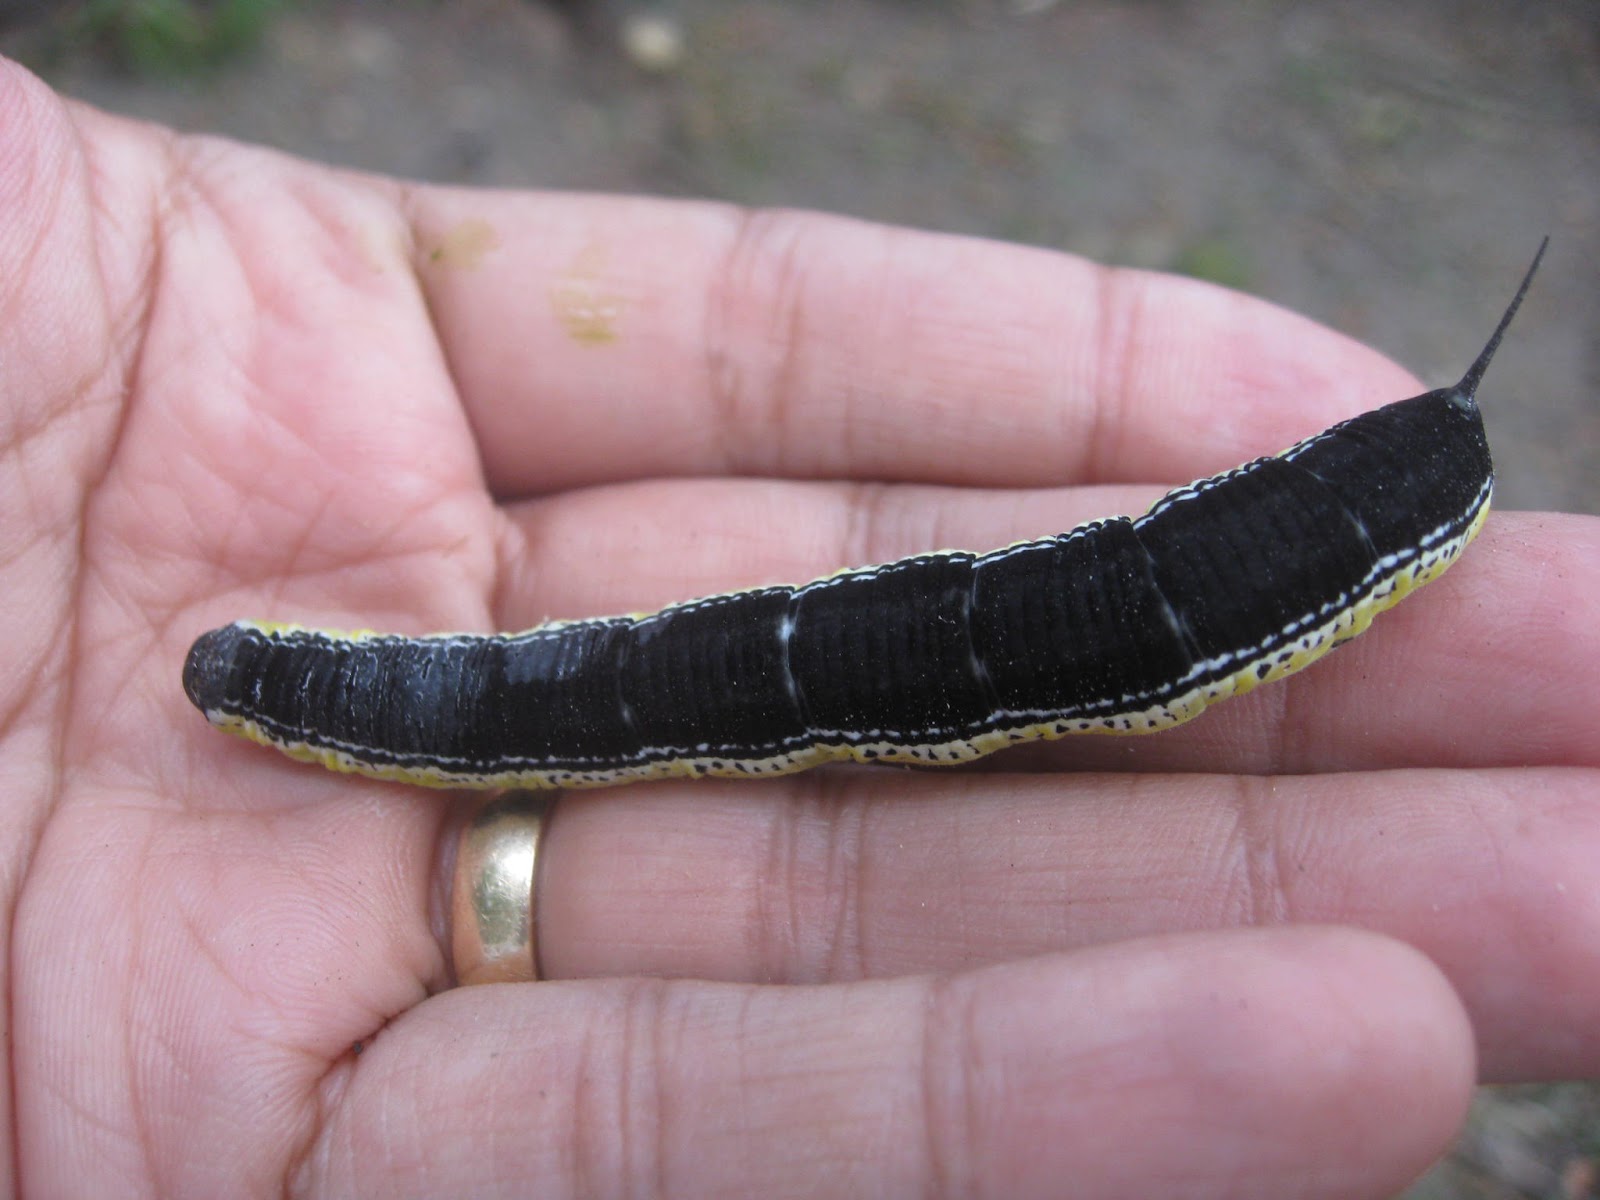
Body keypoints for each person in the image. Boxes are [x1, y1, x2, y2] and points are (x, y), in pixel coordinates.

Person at [1, 53, 1595, 1199]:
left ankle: (1410, 473)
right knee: (808, 660)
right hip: (1133, 593)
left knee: (945, 639)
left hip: (1254, 554)